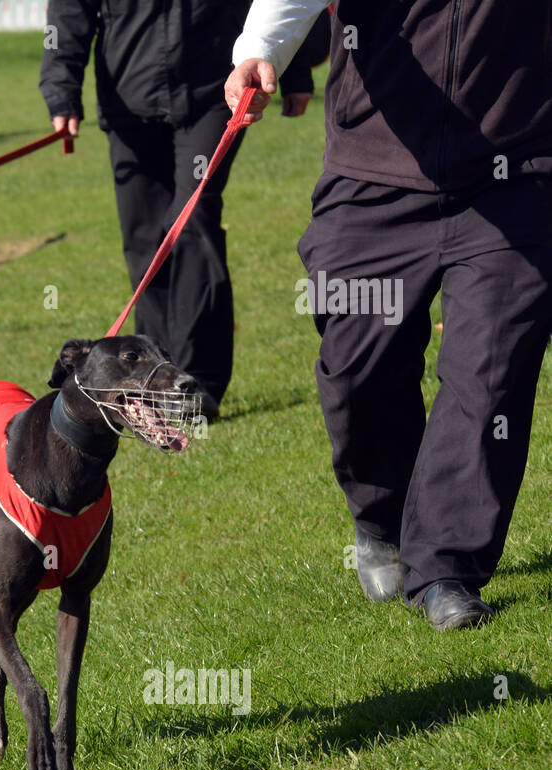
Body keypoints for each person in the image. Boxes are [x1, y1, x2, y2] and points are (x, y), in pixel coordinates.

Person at [227, 0, 552, 630]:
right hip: (374, 169)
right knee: (356, 369)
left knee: (491, 372)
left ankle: (447, 567)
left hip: (515, 171)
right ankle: (382, 515)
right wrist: (258, 48)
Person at [40, 0, 265, 418]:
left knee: (194, 222)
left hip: (213, 92)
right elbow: (70, 12)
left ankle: (199, 383)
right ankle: (156, 380)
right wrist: (61, 90)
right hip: (128, 99)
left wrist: (297, 65)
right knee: (144, 238)